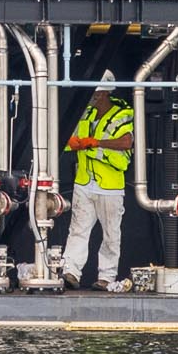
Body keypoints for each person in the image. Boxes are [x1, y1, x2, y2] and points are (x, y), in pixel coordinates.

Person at [61, 72, 135, 290]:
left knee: (111, 234)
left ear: (103, 93)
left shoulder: (123, 114)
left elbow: (126, 142)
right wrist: (75, 143)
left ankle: (107, 277)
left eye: (94, 91)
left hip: (110, 186)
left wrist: (95, 143)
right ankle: (70, 272)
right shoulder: (86, 114)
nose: (91, 96)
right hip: (84, 181)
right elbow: (69, 140)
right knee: (78, 229)